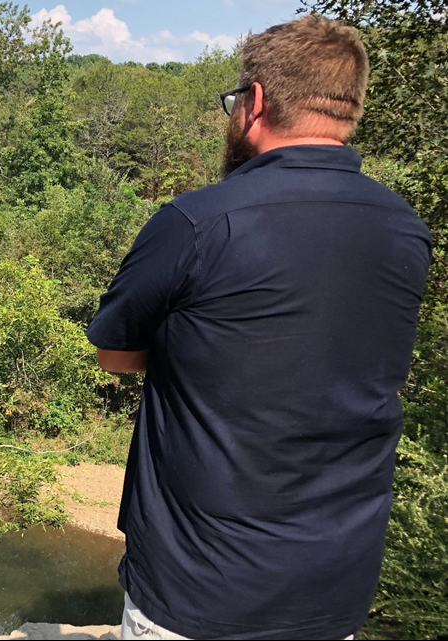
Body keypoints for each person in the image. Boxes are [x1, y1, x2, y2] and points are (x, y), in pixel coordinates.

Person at [87, 15, 432, 640]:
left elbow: (116, 354)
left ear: (257, 102)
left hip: (197, 590)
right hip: (334, 589)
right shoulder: (405, 228)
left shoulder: (196, 222)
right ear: (347, 110)